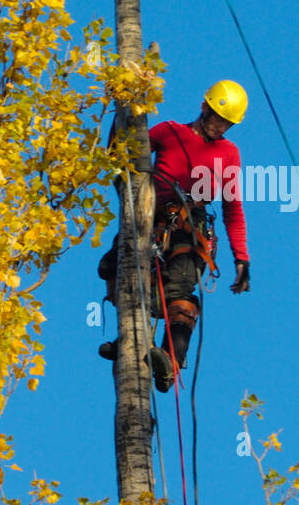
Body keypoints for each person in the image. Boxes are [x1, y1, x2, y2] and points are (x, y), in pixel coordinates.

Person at [97, 79, 250, 391]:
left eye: (227, 124)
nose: (220, 128)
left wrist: (242, 259)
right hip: (147, 217)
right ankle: (131, 341)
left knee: (179, 287)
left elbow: (233, 207)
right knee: (114, 264)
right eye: (217, 119)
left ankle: (170, 361)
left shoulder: (229, 154)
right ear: (204, 107)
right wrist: (121, 112)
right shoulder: (169, 131)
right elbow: (121, 155)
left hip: (188, 226)